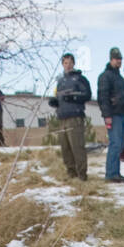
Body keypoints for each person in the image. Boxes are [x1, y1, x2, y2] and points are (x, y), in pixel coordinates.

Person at [48, 52, 91, 181]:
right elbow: (57, 95)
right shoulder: (60, 81)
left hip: (75, 116)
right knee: (65, 148)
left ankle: (82, 175)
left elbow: (87, 95)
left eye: (70, 62)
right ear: (62, 64)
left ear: (74, 63)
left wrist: (73, 97)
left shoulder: (80, 79)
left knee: (77, 147)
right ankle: (71, 173)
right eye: (65, 63)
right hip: (62, 117)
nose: (67, 65)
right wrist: (55, 102)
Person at [97, 47, 124, 182]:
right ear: (111, 60)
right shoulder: (105, 76)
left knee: (120, 144)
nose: (119, 62)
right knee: (115, 143)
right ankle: (110, 174)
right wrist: (107, 115)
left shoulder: (119, 77)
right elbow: (103, 97)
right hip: (113, 114)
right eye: (116, 59)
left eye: (120, 59)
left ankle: (116, 172)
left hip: (122, 113)